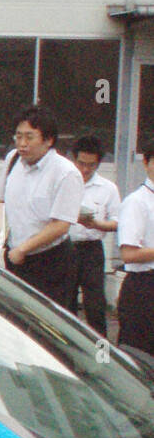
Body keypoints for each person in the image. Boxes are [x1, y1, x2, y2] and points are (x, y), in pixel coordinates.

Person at [0, 105, 82, 305]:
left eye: (29, 137)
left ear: (48, 140)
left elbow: (61, 225)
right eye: (18, 137)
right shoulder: (13, 159)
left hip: (50, 261)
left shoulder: (65, 172)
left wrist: (23, 249)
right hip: (15, 256)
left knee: (48, 322)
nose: (22, 144)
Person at [65, 135, 121, 334]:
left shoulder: (108, 188)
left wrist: (95, 223)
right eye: (81, 163)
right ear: (73, 159)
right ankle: (68, 356)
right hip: (65, 247)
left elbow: (117, 223)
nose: (86, 169)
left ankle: (102, 355)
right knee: (65, 304)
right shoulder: (64, 182)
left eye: (92, 165)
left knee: (95, 307)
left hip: (92, 250)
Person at [117, 141, 154, 355]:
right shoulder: (137, 202)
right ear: (146, 163)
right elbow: (128, 254)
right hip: (144, 288)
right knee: (139, 356)